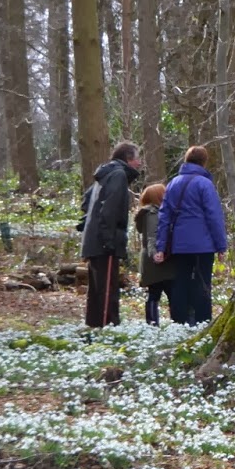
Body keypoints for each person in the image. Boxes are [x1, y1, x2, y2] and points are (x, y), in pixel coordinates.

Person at [154, 145, 228, 325]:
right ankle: (202, 321)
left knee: (181, 283)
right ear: (204, 161)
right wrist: (221, 245)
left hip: (180, 244)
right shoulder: (205, 184)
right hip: (203, 244)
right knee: (202, 283)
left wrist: (161, 246)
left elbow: (164, 217)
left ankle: (180, 321)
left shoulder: (173, 184)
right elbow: (214, 216)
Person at [78, 141, 143, 329]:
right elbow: (110, 210)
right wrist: (109, 240)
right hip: (104, 242)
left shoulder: (105, 174)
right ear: (128, 159)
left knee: (98, 289)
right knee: (107, 289)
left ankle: (94, 325)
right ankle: (109, 327)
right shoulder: (118, 175)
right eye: (137, 159)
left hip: (94, 240)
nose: (139, 163)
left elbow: (86, 202)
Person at [132, 183, 176, 325]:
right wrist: (156, 254)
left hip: (151, 259)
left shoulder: (148, 212)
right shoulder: (152, 213)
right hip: (158, 261)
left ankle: (153, 323)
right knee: (166, 293)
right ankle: (165, 323)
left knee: (155, 292)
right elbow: (152, 235)